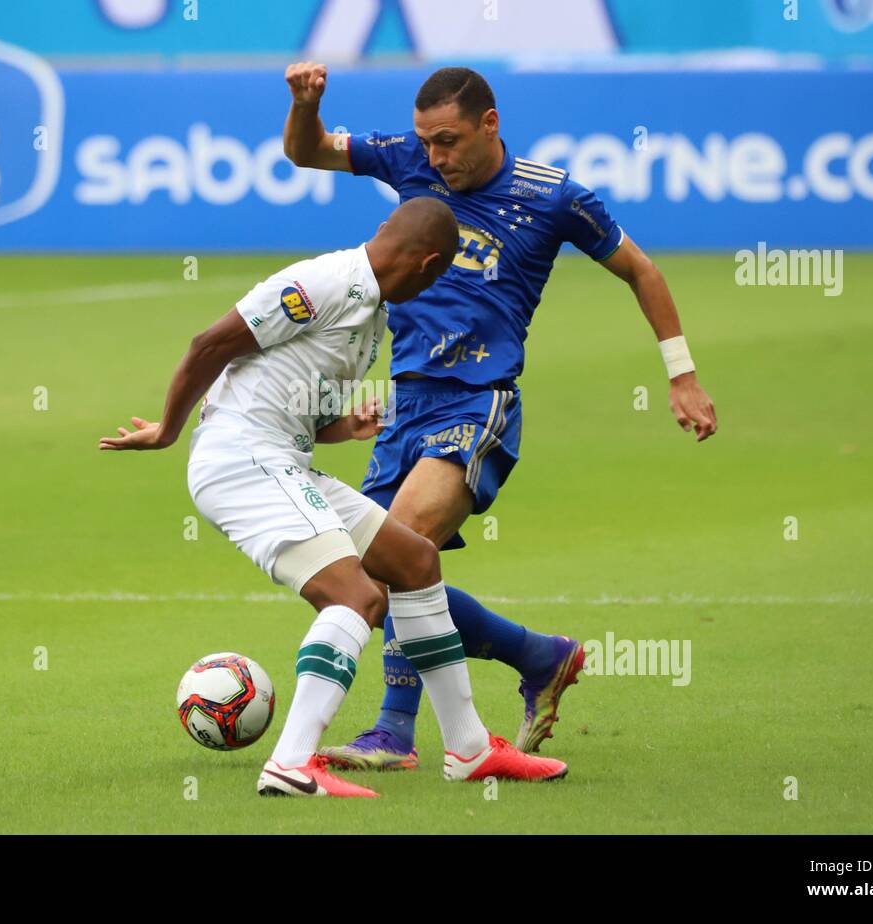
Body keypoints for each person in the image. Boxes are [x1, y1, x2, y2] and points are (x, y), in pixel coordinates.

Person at [282, 63, 718, 770]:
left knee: (403, 545)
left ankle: (394, 732)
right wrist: (305, 105)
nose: (435, 158)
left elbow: (641, 269)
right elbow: (306, 153)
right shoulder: (405, 157)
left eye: (449, 141)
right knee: (379, 568)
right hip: (405, 405)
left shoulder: (554, 197)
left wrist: (683, 375)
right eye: (426, 142)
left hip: (477, 399)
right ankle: (538, 656)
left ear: (490, 124)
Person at [100, 197, 568, 797]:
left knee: (415, 561)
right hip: (244, 460)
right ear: (427, 265)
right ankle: (292, 762)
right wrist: (167, 430)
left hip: (281, 457)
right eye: (436, 276)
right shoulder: (322, 283)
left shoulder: (370, 316)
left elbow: (287, 397)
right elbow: (210, 344)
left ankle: (470, 749)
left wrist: (341, 426)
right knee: (356, 596)